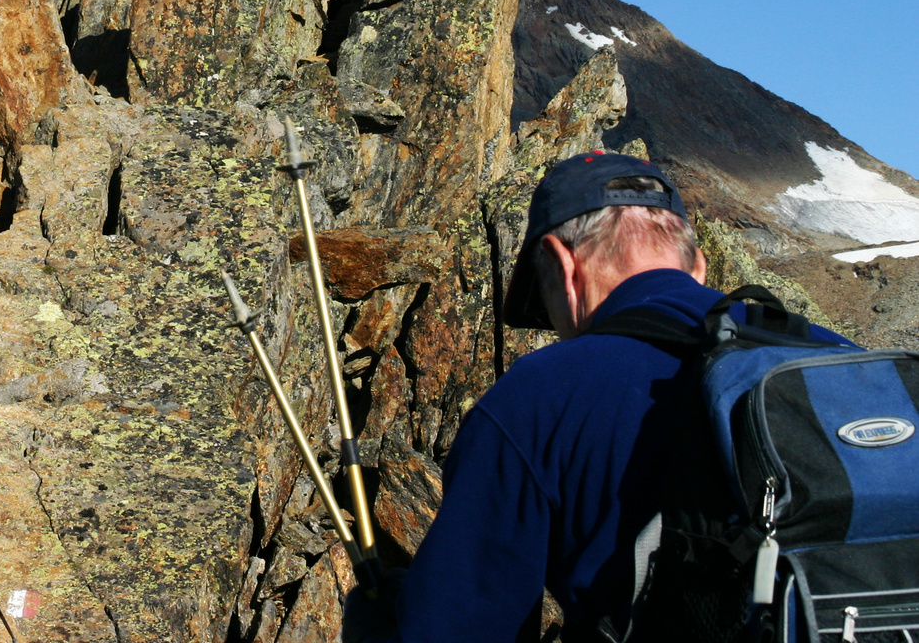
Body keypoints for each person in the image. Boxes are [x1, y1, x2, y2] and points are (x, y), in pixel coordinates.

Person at [343, 150, 852, 642]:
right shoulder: (849, 363)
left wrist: (377, 628)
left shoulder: (539, 398)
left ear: (562, 266)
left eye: (544, 306)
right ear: (697, 267)